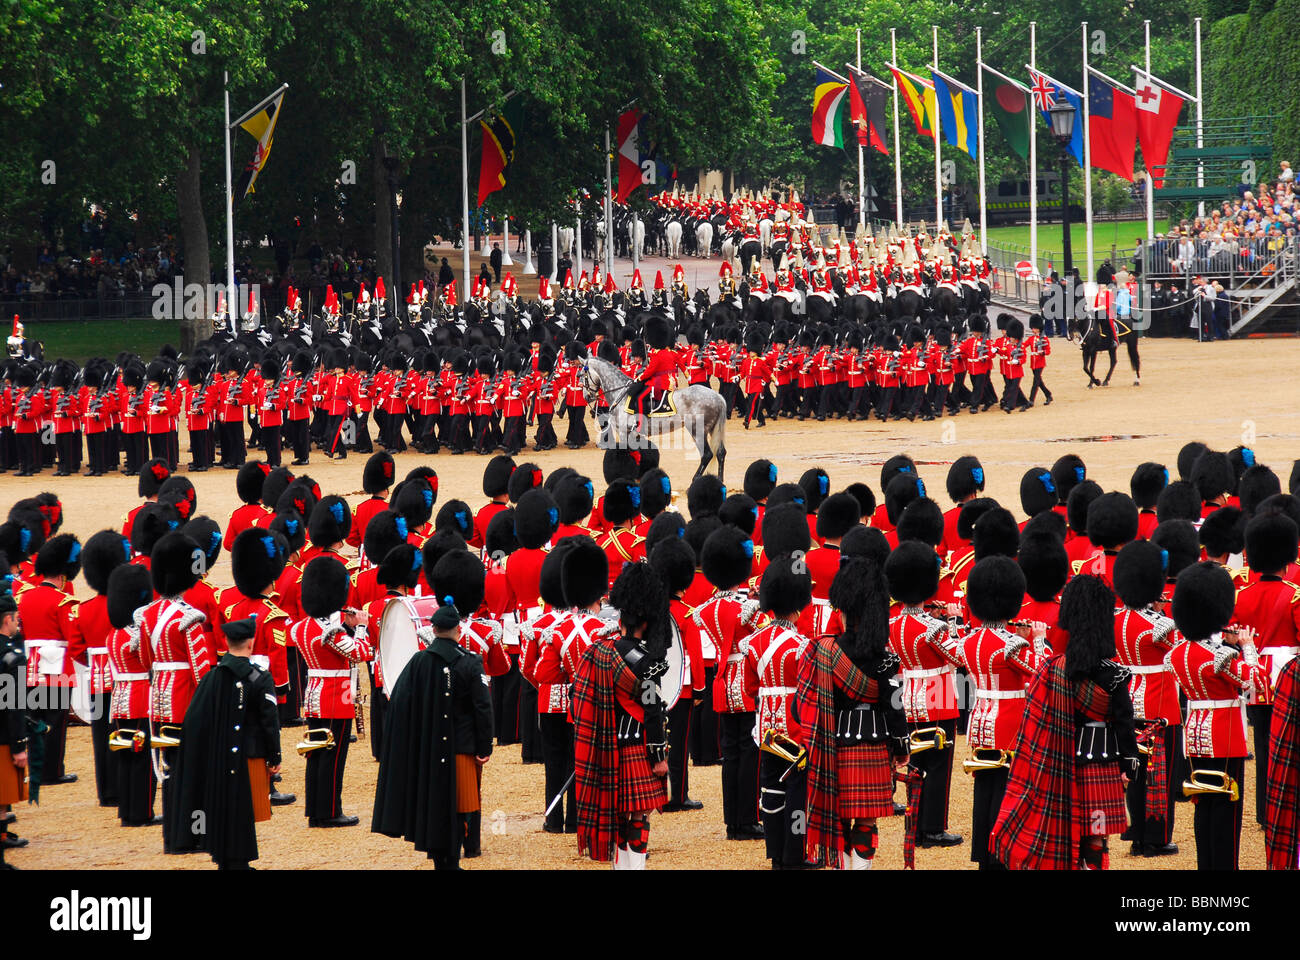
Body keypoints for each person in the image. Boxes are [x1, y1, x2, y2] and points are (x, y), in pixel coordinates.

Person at [989, 575, 1141, 870]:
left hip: (1060, 765)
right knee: (1096, 838)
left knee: (1064, 832)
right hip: (1100, 766)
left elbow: (1037, 721)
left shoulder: (1053, 666)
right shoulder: (1115, 675)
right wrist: (1130, 763)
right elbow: (1123, 723)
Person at [797, 556, 909, 869]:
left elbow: (800, 706)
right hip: (874, 744)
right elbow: (894, 707)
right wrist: (902, 748)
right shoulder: (885, 658)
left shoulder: (823, 650)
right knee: (866, 823)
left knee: (840, 821)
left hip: (833, 745)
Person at [371, 601, 493, 870]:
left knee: (436, 806)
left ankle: (441, 862)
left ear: (434, 630)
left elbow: (399, 703)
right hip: (462, 748)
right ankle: (453, 859)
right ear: (457, 631)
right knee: (462, 808)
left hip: (429, 751)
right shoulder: (470, 662)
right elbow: (482, 708)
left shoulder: (419, 662)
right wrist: (485, 747)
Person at [1165, 561, 1267, 869]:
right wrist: (1248, 647)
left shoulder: (1177, 653)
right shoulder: (1221, 656)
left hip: (1195, 735)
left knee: (1203, 805)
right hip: (1225, 736)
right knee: (1227, 808)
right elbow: (1257, 684)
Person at [572, 561, 671, 869]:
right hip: (638, 748)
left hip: (607, 748)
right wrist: (659, 757)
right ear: (646, 620)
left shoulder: (599, 651)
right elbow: (652, 713)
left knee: (615, 814)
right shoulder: (649, 662)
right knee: (640, 815)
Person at [164, 617, 282, 870]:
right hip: (249, 753)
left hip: (216, 756)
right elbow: (269, 721)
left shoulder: (212, 677)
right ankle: (238, 861)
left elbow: (195, 719)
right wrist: (275, 757)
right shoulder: (259, 677)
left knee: (223, 805)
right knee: (242, 810)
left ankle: (224, 857)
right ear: (251, 643)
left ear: (226, 642)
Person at [961, 556, 1044, 869]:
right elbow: (1041, 673)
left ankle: (984, 854)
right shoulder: (1011, 645)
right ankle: (1002, 854)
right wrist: (1038, 641)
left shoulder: (970, 641)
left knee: (985, 789)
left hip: (980, 718)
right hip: (1010, 721)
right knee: (1008, 792)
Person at [744, 552, 813, 869]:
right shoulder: (801, 643)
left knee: (770, 790)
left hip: (765, 728)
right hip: (795, 729)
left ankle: (774, 855)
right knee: (797, 794)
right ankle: (794, 854)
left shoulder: (754, 642)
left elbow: (750, 688)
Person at [294, 555, 372, 828]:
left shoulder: (302, 626)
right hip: (334, 696)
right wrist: (360, 627)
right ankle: (328, 812)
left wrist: (345, 624)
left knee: (317, 754)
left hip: (315, 694)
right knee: (333, 757)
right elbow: (361, 653)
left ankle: (316, 810)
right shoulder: (330, 631)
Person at [0, 589, 27, 869]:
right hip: (4, 737)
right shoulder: (11, 656)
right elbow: (13, 705)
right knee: (1, 800)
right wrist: (19, 745)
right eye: (16, 619)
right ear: (7, 619)